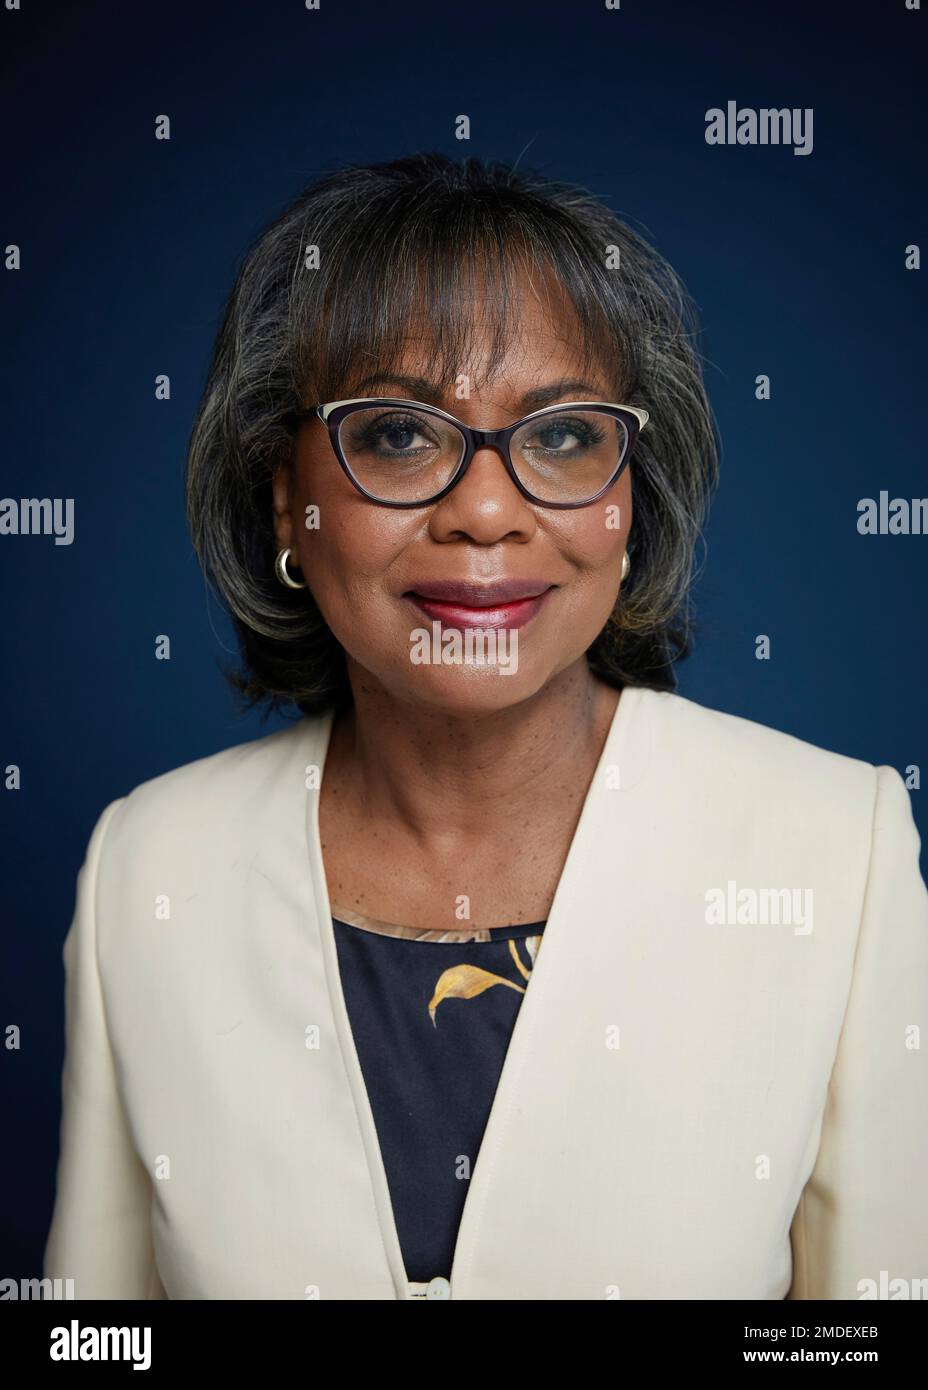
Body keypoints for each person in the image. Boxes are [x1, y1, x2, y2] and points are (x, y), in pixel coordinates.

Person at [44, 153, 928, 1300]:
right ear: (285, 497)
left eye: (560, 436)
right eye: (396, 434)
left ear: (628, 496)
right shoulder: (147, 867)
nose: (485, 511)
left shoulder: (833, 850)